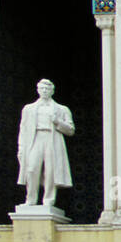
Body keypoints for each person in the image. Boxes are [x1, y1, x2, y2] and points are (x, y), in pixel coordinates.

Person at [17, 79, 75, 208]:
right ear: (37, 90)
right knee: (31, 169)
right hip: (35, 138)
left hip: (52, 139)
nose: (44, 91)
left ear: (52, 91)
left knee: (51, 171)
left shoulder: (61, 109)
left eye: (47, 89)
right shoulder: (29, 109)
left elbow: (71, 130)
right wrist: (21, 146)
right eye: (42, 89)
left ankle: (48, 200)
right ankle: (30, 199)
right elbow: (23, 129)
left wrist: (57, 122)